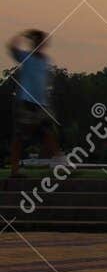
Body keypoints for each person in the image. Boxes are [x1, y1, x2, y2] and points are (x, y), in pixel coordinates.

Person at [7, 29, 59, 179]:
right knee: (20, 136)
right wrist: (22, 34)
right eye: (38, 41)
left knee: (48, 133)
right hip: (25, 102)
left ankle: (60, 166)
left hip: (41, 104)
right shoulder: (26, 56)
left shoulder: (45, 60)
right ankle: (15, 170)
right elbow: (11, 47)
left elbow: (43, 82)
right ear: (34, 43)